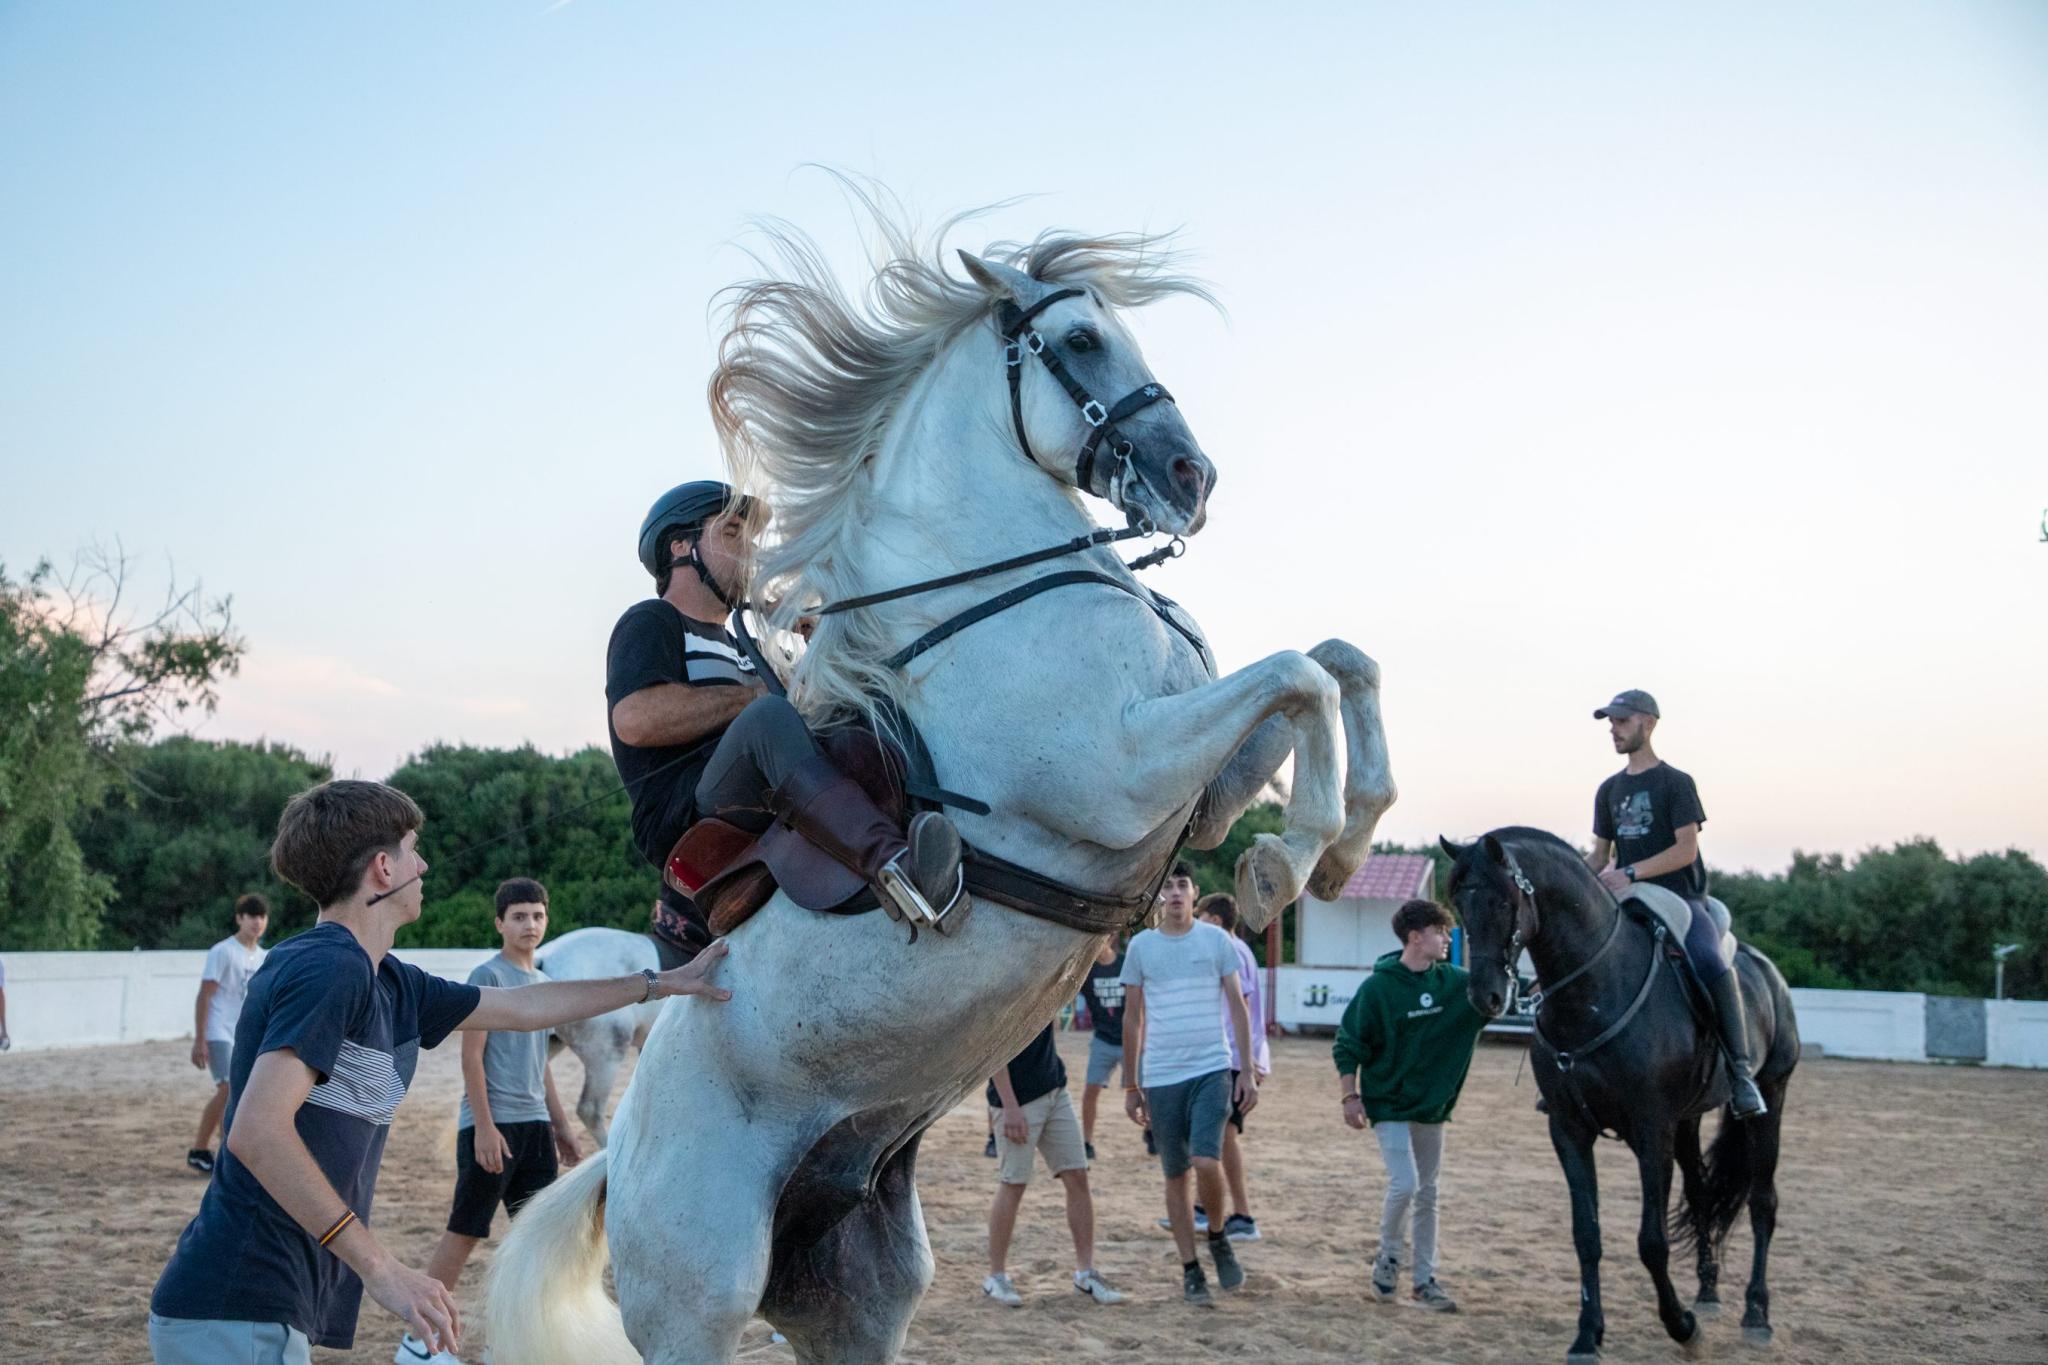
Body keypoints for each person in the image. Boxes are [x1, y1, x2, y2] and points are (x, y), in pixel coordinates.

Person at [147, 779, 732, 1365]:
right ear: (383, 868)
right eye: (411, 848)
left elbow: (526, 1006)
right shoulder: (327, 968)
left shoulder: (389, 979)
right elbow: (256, 1131)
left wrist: (661, 983)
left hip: (265, 1308)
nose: (422, 864)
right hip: (235, 1304)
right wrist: (383, 1270)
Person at [606, 480, 963, 954]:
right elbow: (634, 719)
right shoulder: (652, 620)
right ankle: (895, 865)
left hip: (760, 790)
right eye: (733, 534)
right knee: (770, 716)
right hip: (686, 816)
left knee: (852, 722)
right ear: (681, 546)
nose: (751, 552)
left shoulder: (740, 643)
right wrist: (754, 696)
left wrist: (823, 642)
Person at [393, 878, 584, 1365]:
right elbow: (472, 1058)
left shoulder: (543, 985)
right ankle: (418, 1346)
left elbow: (540, 1064)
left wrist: (560, 1126)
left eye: (538, 915)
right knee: (465, 1232)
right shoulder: (488, 975)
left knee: (537, 1242)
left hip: (536, 1129)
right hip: (490, 1127)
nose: (530, 924)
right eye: (519, 916)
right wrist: (483, 1126)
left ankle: (515, 1346)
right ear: (500, 923)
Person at [1589, 689, 1765, 1118]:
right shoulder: (1609, 789)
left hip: (1680, 899)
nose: (1613, 729)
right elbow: (1599, 855)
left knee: (1709, 960)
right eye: (1611, 722)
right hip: (1629, 899)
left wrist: (1628, 872)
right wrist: (1578, 882)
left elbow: (1685, 850)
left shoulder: (1676, 783)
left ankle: (1740, 1074)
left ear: (1647, 724)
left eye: (1622, 721)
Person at [1333, 898, 1489, 1313]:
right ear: (1416, 937)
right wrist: (1350, 1095)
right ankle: (1387, 1258)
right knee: (1406, 1183)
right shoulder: (1378, 988)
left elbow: (1490, 998)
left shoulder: (1455, 982)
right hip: (1387, 1104)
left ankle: (1424, 1282)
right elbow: (1347, 1044)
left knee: (1429, 1193)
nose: (1447, 939)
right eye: (1440, 932)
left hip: (1431, 1108)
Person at [1120, 863, 1257, 1306]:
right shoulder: (1141, 947)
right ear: (1157, 897)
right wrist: (1130, 1083)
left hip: (1211, 1068)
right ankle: (1191, 1267)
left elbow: (1238, 1006)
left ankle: (1217, 1235)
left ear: (1194, 893)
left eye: (1182, 885)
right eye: (1168, 886)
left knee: (1205, 1159)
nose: (1175, 893)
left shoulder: (1217, 940)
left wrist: (1248, 1070)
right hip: (1160, 1075)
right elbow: (1132, 1018)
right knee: (1174, 1173)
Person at [981, 1022, 1126, 1308]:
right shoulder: (1004, 984)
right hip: (1016, 1103)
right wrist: (1009, 1106)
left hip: (1055, 1091)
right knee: (1013, 1183)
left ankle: (1086, 1273)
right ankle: (995, 1276)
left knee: (1077, 1175)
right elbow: (993, 1047)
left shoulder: (1042, 979)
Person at [1197, 894, 1269, 1242]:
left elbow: (1240, 1006)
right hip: (1234, 1056)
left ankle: (1242, 1215)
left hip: (1232, 1058)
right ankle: (1201, 1208)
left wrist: (1246, 1063)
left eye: (1201, 916)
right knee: (1215, 1135)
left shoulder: (1230, 950)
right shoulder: (1236, 947)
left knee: (1224, 1137)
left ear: (1213, 920)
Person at [188, 895, 271, 1173]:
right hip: (218, 1030)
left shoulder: (264, 957)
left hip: (244, 1034)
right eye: (250, 915)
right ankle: (200, 1149)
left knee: (238, 1093)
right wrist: (200, 1038)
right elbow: (205, 995)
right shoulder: (222, 951)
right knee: (228, 1088)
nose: (256, 922)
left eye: (260, 916)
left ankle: (226, 1153)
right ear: (239, 918)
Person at [1077, 936, 1127, 1160]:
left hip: (1130, 1039)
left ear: (1111, 937)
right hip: (1103, 1039)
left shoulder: (1125, 964)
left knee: (1148, 1090)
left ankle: (1152, 1132)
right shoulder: (1086, 972)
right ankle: (1086, 1141)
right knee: (1090, 1091)